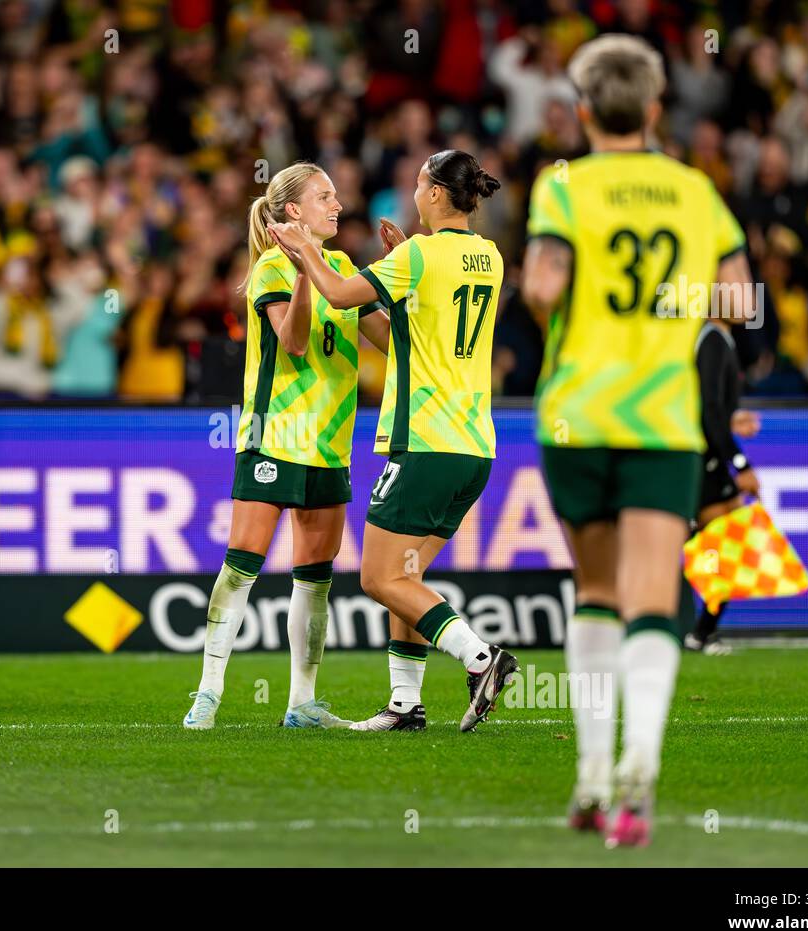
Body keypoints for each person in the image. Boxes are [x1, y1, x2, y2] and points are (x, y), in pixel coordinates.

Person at [521, 35, 753, 847]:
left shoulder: (563, 188)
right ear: (656, 109)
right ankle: (639, 765)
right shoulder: (695, 191)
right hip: (663, 419)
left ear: (583, 110)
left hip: (578, 413)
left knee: (596, 591)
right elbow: (735, 297)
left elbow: (543, 287)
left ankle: (589, 775)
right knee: (657, 595)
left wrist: (588, 323)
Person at [269, 149, 518, 733]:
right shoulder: (490, 256)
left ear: (434, 193)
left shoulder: (418, 254)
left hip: (425, 441)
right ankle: (405, 704)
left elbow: (336, 293)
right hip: (474, 446)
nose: (412, 192)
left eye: (417, 183)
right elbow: (408, 334)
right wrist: (394, 277)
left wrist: (305, 250)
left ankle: (482, 659)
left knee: (380, 579)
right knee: (407, 578)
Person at [182, 162, 388, 730]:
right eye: (325, 196)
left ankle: (301, 701)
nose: (338, 204)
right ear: (293, 211)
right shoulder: (273, 266)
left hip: (330, 443)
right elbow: (293, 343)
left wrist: (405, 279)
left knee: (315, 576)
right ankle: (208, 693)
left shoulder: (345, 268)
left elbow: (390, 343)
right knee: (241, 565)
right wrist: (304, 271)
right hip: (274, 435)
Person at [686, 318, 760, 655]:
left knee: (723, 549)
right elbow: (708, 410)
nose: (749, 293)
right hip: (704, 461)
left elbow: (710, 409)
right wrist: (740, 463)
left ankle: (702, 632)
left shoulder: (719, 339)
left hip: (708, 459)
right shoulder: (712, 340)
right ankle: (700, 632)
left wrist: (731, 421)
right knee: (723, 549)